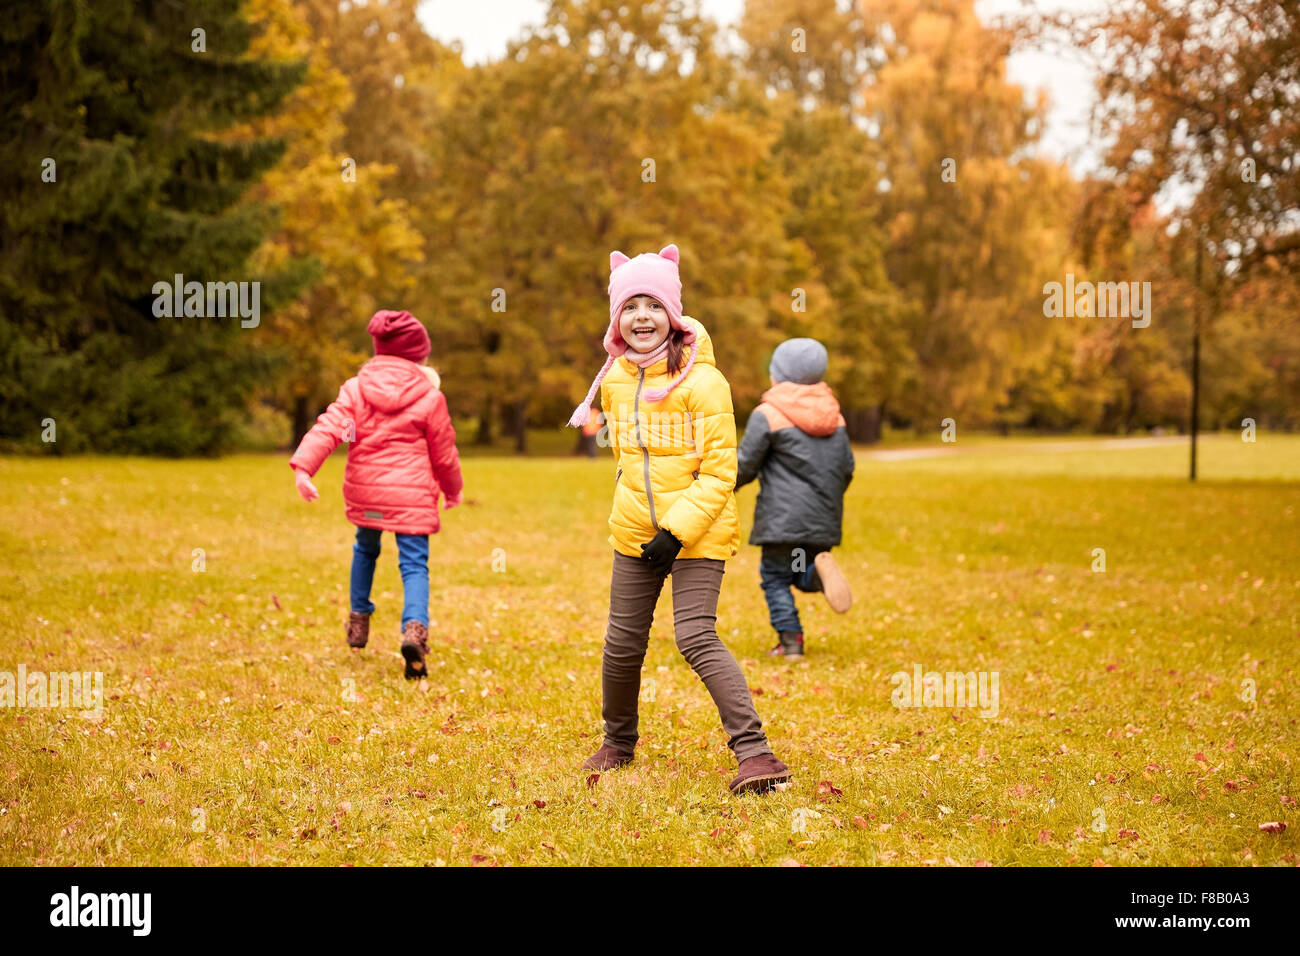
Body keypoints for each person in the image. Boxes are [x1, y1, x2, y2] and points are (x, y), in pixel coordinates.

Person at [567, 244, 791, 794]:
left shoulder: (704, 383)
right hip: (636, 533)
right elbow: (630, 459)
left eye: (654, 305)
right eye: (630, 305)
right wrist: (640, 518)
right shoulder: (618, 378)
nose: (642, 316)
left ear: (673, 315)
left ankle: (756, 755)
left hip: (696, 532)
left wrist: (676, 530)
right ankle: (618, 742)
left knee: (694, 636)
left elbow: (721, 472)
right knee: (622, 644)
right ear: (617, 318)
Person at [289, 309, 463, 679]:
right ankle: (414, 630)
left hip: (367, 493)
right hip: (412, 497)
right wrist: (453, 490)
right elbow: (444, 453)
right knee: (414, 565)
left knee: (365, 549)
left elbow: (329, 428)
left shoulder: (355, 389)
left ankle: (358, 619)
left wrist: (304, 467)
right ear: (419, 355)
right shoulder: (430, 397)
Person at [735, 338, 854, 659]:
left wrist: (720, 485)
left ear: (778, 375)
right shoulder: (835, 417)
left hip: (781, 520)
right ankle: (817, 572)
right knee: (799, 574)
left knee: (775, 578)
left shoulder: (769, 414)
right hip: (822, 518)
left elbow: (745, 465)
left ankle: (790, 642)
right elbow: (847, 469)